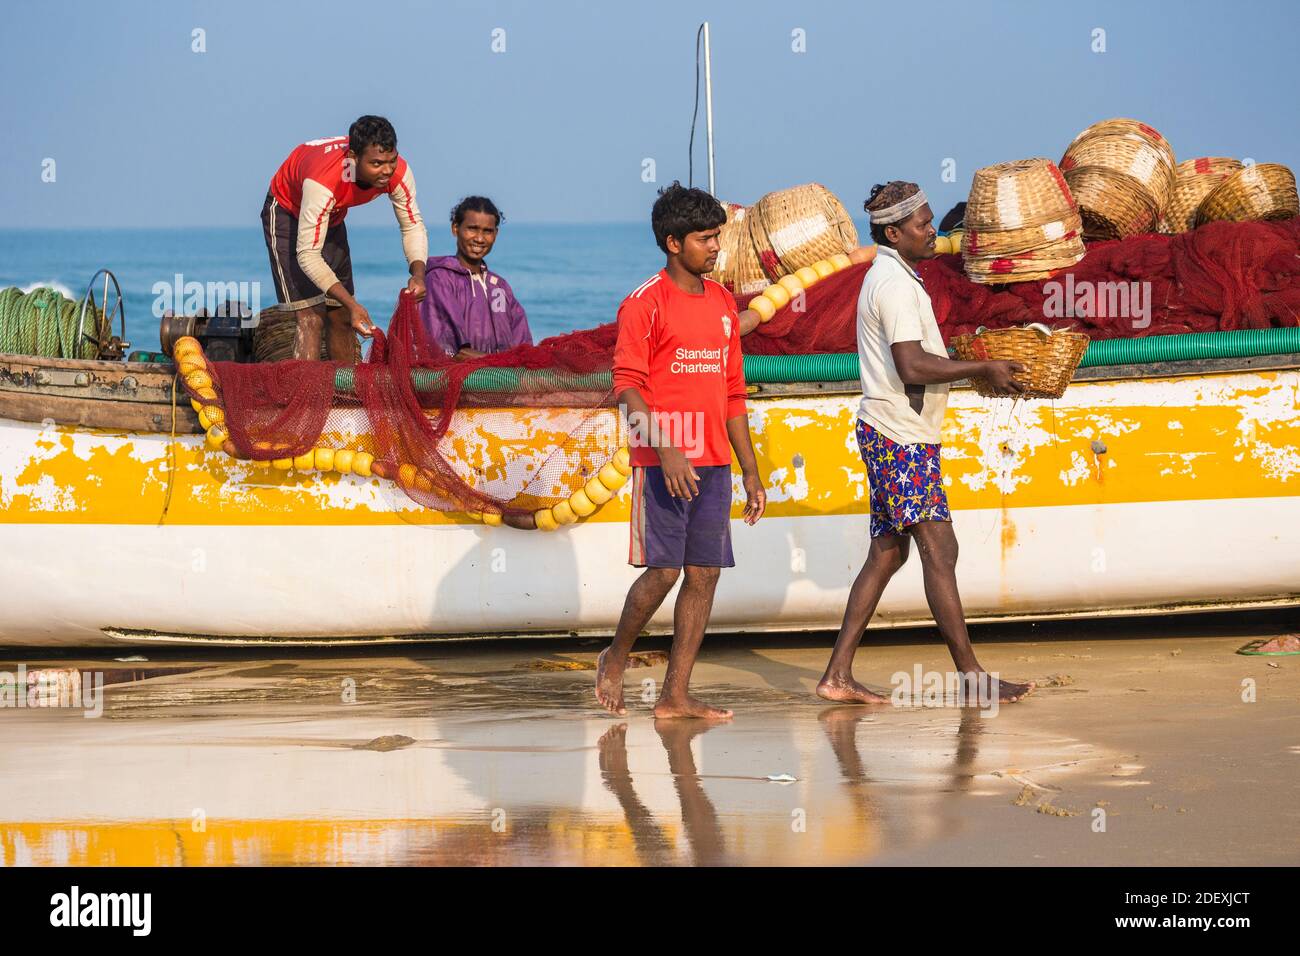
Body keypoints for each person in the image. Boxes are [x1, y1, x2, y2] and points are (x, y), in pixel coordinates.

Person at [816, 181, 1034, 706]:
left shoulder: (899, 277)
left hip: (897, 432)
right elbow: (911, 365)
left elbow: (918, 357)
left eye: (930, 220)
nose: (931, 231)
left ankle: (837, 676)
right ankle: (972, 677)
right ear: (893, 232)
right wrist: (982, 366)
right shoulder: (892, 285)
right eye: (920, 225)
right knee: (941, 548)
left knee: (887, 555)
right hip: (899, 437)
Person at [595, 182, 766, 721]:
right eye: (704, 238)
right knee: (664, 572)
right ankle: (615, 657)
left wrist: (751, 473)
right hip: (663, 461)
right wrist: (666, 449)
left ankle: (675, 694)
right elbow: (627, 387)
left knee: (705, 574)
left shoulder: (721, 304)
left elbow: (733, 392)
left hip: (714, 462)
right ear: (673, 243)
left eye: (717, 236)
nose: (715, 247)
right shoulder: (644, 302)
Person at [262, 115, 428, 360]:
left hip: (333, 215)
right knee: (311, 317)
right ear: (353, 158)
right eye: (377, 163)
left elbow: (412, 226)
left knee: (339, 314)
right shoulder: (324, 182)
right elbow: (308, 255)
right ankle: (308, 396)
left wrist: (418, 274)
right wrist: (354, 305)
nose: (387, 170)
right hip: (288, 211)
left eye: (391, 161)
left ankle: (346, 395)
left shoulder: (399, 172)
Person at [421, 196, 532, 360]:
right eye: (472, 228)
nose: (480, 238)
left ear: (496, 234)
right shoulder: (440, 279)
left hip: (502, 382)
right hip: (459, 382)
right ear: (455, 228)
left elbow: (523, 348)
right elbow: (450, 351)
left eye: (487, 231)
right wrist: (502, 365)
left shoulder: (500, 288)